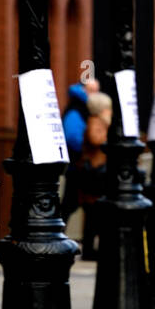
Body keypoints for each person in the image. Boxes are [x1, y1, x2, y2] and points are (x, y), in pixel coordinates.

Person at [76, 92, 112, 260]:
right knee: (92, 215)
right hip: (94, 174)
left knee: (95, 214)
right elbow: (95, 139)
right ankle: (89, 249)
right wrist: (108, 128)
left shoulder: (99, 121)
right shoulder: (95, 121)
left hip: (98, 173)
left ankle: (92, 248)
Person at [61, 77, 100, 225]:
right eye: (92, 90)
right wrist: (87, 147)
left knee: (85, 206)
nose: (95, 94)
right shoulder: (77, 110)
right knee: (72, 204)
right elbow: (72, 137)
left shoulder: (82, 108)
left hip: (81, 166)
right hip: (78, 165)